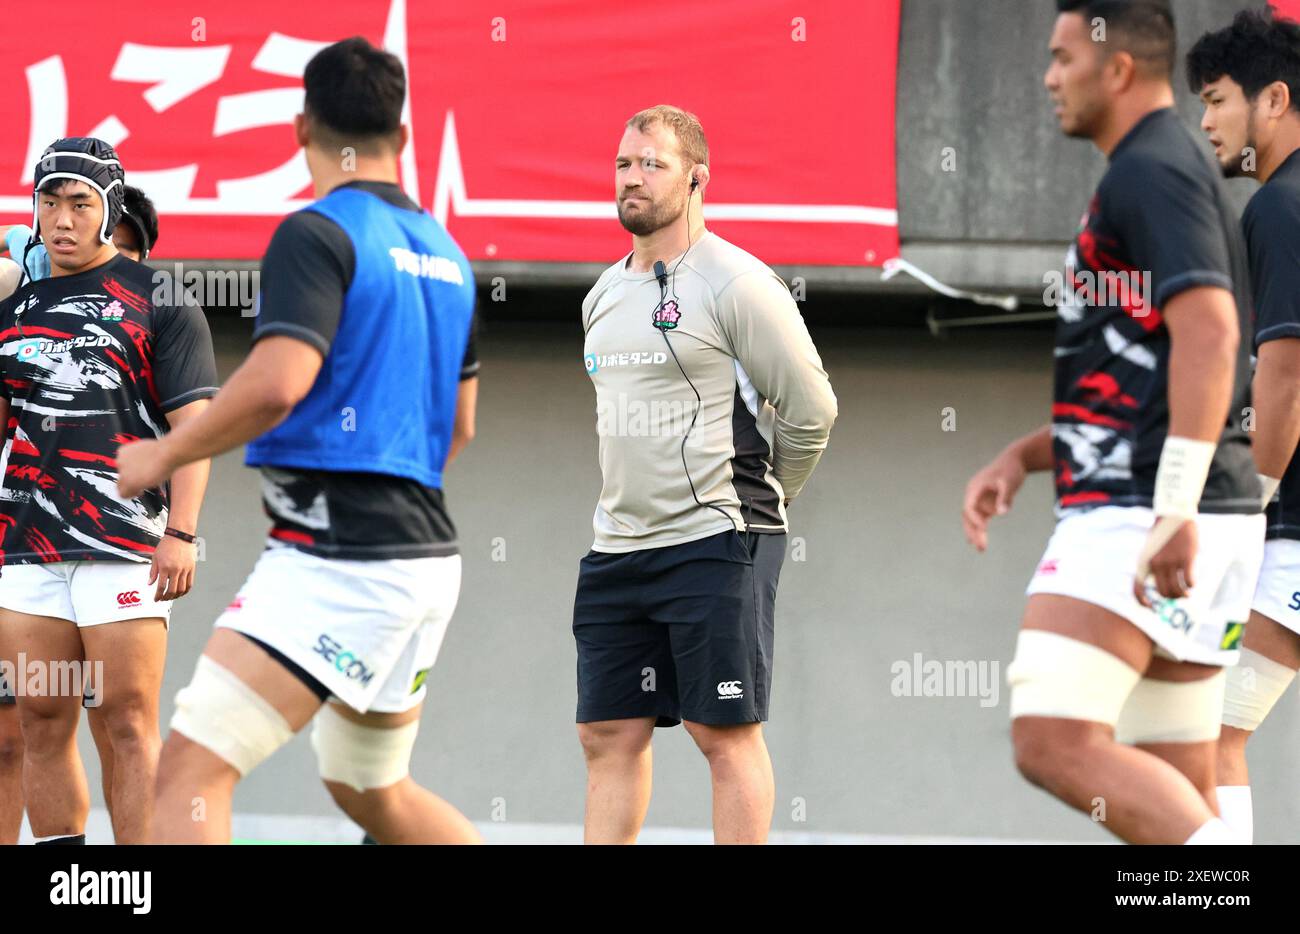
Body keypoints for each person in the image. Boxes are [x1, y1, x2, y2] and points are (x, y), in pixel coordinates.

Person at [116, 36, 481, 845]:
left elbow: (279, 381)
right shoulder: (451, 257)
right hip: (427, 562)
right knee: (368, 786)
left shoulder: (316, 233)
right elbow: (459, 425)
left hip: (340, 559)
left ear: (299, 127)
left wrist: (161, 454)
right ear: (405, 138)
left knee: (188, 776)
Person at [962, 0, 1262, 844]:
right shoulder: (1160, 167)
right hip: (1202, 514)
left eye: (1062, 58)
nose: (1050, 78)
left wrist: (1170, 507)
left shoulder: (1151, 168)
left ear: (1117, 67)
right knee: (1173, 780)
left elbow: (1211, 330)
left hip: (1150, 516)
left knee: (1052, 739)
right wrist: (1026, 457)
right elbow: (1141, 375)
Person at [574, 104, 837, 844]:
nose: (632, 178)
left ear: (696, 179)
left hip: (717, 540)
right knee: (607, 733)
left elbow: (812, 407)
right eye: (624, 163)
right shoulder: (601, 296)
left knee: (722, 732)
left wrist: (768, 499)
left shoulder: (736, 282)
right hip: (617, 549)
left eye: (651, 164)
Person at [0, 139, 216, 844]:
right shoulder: (12, 305)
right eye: (49, 201)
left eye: (80, 204)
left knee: (124, 719)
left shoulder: (161, 298)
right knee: (38, 718)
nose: (62, 219)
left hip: (122, 543)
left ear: (109, 209)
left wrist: (181, 532)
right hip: (25, 548)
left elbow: (195, 429)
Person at [1187, 6, 1300, 844]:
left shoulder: (1280, 208)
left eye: (1218, 99)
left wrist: (1247, 513)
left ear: (1275, 101)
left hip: (1290, 539)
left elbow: (1287, 374)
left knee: (1204, 734)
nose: (1205, 120)